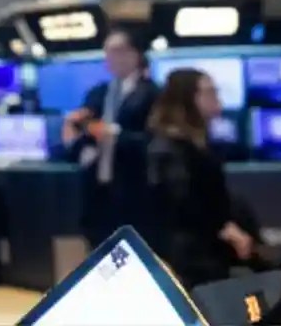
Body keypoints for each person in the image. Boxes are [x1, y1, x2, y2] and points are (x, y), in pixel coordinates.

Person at [130, 68, 255, 288]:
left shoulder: (197, 142)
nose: (216, 97)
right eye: (208, 91)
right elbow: (184, 203)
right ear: (186, 99)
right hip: (191, 256)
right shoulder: (170, 147)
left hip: (207, 250)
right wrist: (225, 229)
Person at [62, 26, 159, 247]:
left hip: (134, 193)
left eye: (117, 51)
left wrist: (114, 134)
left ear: (135, 54)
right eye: (107, 52)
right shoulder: (98, 94)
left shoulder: (152, 94)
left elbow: (153, 142)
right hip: (97, 193)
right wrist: (75, 130)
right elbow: (81, 132)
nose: (110, 58)